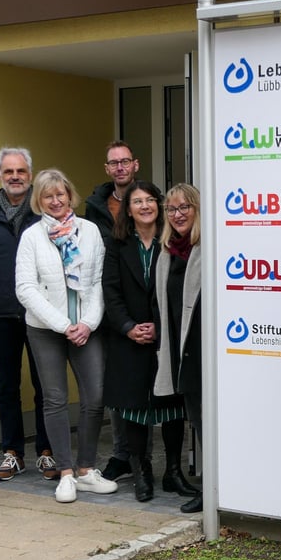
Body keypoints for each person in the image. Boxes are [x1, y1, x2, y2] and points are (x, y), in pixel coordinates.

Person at [15, 168, 117, 503]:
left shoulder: (89, 232)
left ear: (70, 195)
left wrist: (86, 323)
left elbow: (99, 282)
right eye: (48, 196)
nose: (56, 200)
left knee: (95, 395)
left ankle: (87, 469)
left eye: (61, 194)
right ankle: (66, 472)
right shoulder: (32, 236)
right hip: (46, 329)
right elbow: (26, 289)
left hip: (87, 328)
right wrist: (63, 325)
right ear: (39, 201)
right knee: (55, 399)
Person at [0, 147, 57, 482]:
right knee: (6, 385)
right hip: (2, 312)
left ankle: (47, 453)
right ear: (0, 176)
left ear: (30, 175)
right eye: (9, 172)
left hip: (42, 314)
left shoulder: (45, 209)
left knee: (45, 385)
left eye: (21, 171)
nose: (15, 177)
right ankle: (12, 453)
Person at [102, 180, 190, 503]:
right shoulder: (117, 244)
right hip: (129, 340)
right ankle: (142, 473)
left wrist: (162, 327)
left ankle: (173, 472)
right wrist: (128, 327)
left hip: (166, 337)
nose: (145, 206)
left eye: (151, 200)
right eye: (137, 201)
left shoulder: (173, 242)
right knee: (136, 409)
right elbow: (110, 291)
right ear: (128, 209)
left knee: (171, 406)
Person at [84, 140, 142, 481]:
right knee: (116, 385)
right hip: (103, 304)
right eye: (113, 163)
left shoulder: (152, 201)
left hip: (141, 303)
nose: (120, 167)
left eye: (125, 162)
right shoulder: (94, 207)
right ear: (107, 169)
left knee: (143, 384)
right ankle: (122, 455)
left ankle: (142, 459)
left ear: (135, 164)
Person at [155, 183, 204, 514]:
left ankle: (216, 488)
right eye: (172, 209)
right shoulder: (167, 252)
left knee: (208, 420)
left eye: (185, 207)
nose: (178, 214)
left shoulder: (207, 248)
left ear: (197, 210)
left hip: (203, 349)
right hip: (180, 347)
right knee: (197, 419)